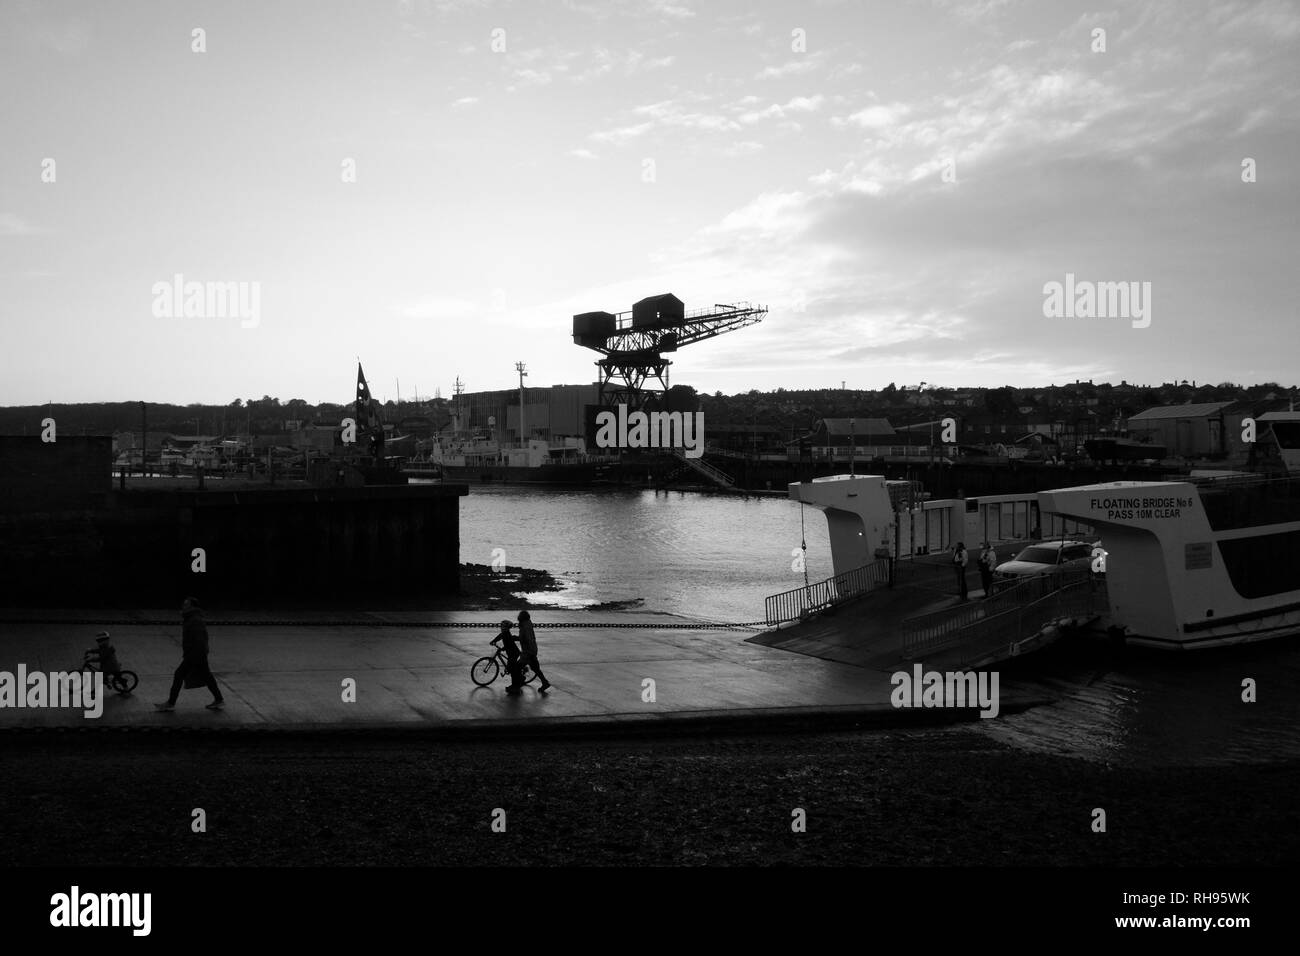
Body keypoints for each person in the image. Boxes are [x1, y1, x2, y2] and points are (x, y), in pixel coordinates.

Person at [155, 597, 224, 711]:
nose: (183, 606)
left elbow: (200, 639)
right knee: (207, 676)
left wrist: (193, 654)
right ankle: (219, 699)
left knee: (179, 674)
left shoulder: (194, 620)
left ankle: (171, 703)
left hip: (195, 654)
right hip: (197, 653)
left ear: (193, 607)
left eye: (186, 605)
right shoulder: (191, 618)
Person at [516, 610, 551, 692]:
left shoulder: (525, 626)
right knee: (535, 668)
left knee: (517, 667)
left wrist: (516, 638)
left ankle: (520, 681)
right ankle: (545, 683)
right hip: (532, 650)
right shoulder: (527, 624)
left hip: (528, 652)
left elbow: (527, 638)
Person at [490, 619, 524, 695]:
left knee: (512, 669)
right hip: (511, 653)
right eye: (501, 626)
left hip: (514, 653)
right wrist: (494, 641)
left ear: (506, 627)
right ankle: (518, 680)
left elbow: (508, 644)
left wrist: (502, 649)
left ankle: (516, 684)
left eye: (503, 626)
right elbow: (499, 636)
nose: (501, 627)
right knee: (511, 667)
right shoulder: (504, 633)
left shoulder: (507, 634)